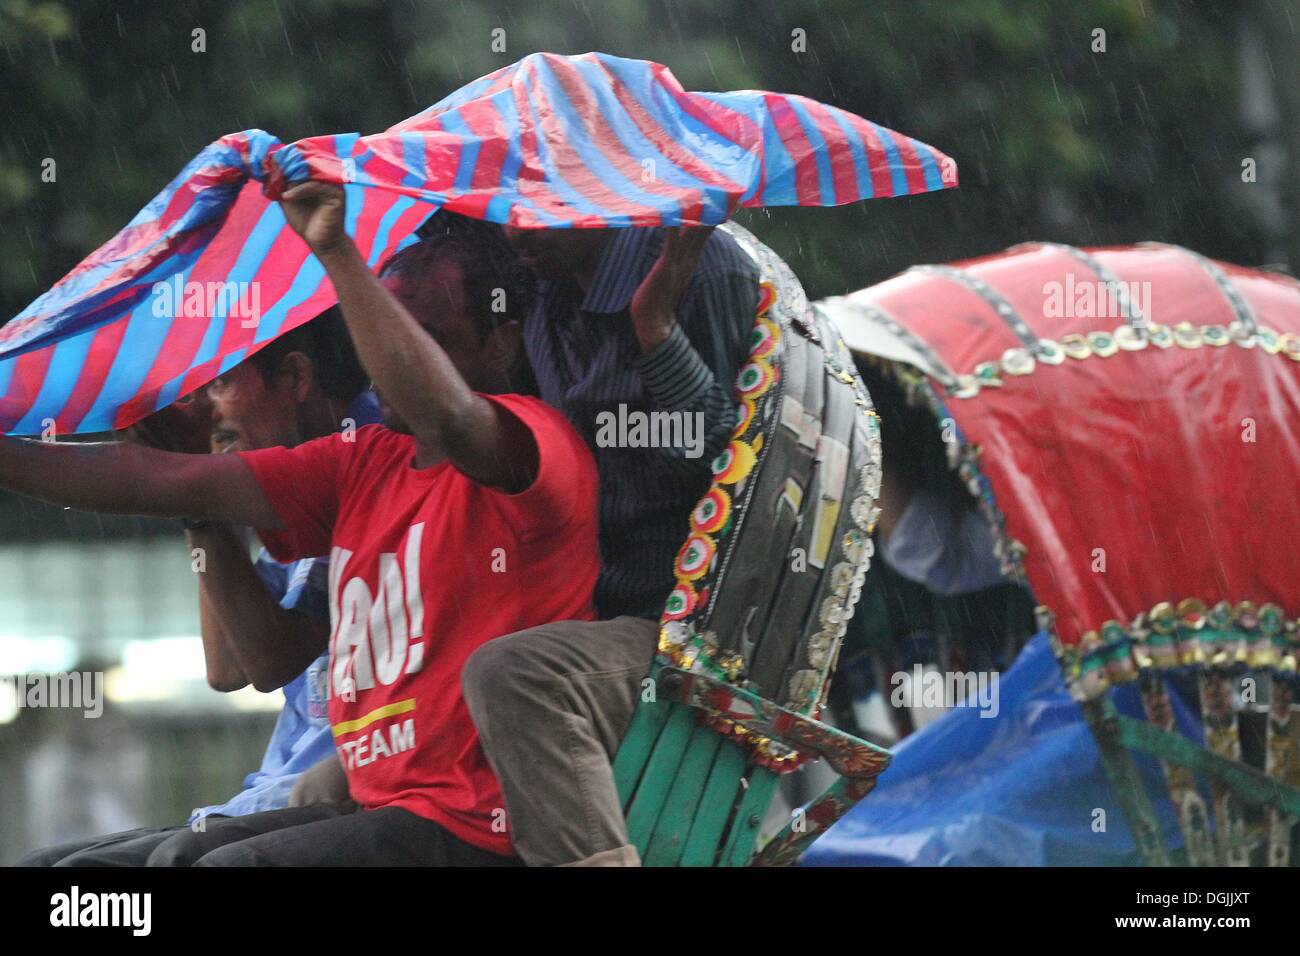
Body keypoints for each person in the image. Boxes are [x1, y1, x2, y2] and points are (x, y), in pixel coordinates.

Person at [0, 186, 601, 865]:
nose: (393, 365)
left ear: (503, 344)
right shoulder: (363, 461)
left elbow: (451, 417)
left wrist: (335, 250)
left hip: (480, 828)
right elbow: (155, 479)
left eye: (426, 341)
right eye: (386, 338)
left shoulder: (534, 444)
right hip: (380, 814)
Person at [15, 311, 379, 866]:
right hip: (267, 801)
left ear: (297, 378)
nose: (207, 407)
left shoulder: (366, 462)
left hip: (337, 804)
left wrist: (189, 490)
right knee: (45, 869)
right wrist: (200, 490)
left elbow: (266, 660)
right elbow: (226, 668)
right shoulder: (293, 476)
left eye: (222, 382)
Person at [461, 221, 768, 866]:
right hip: (589, 608)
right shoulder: (543, 291)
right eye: (509, 196)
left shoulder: (705, 268)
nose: (516, 221)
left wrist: (654, 330)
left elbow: (736, 479)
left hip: (691, 626)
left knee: (513, 674)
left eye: (540, 197)